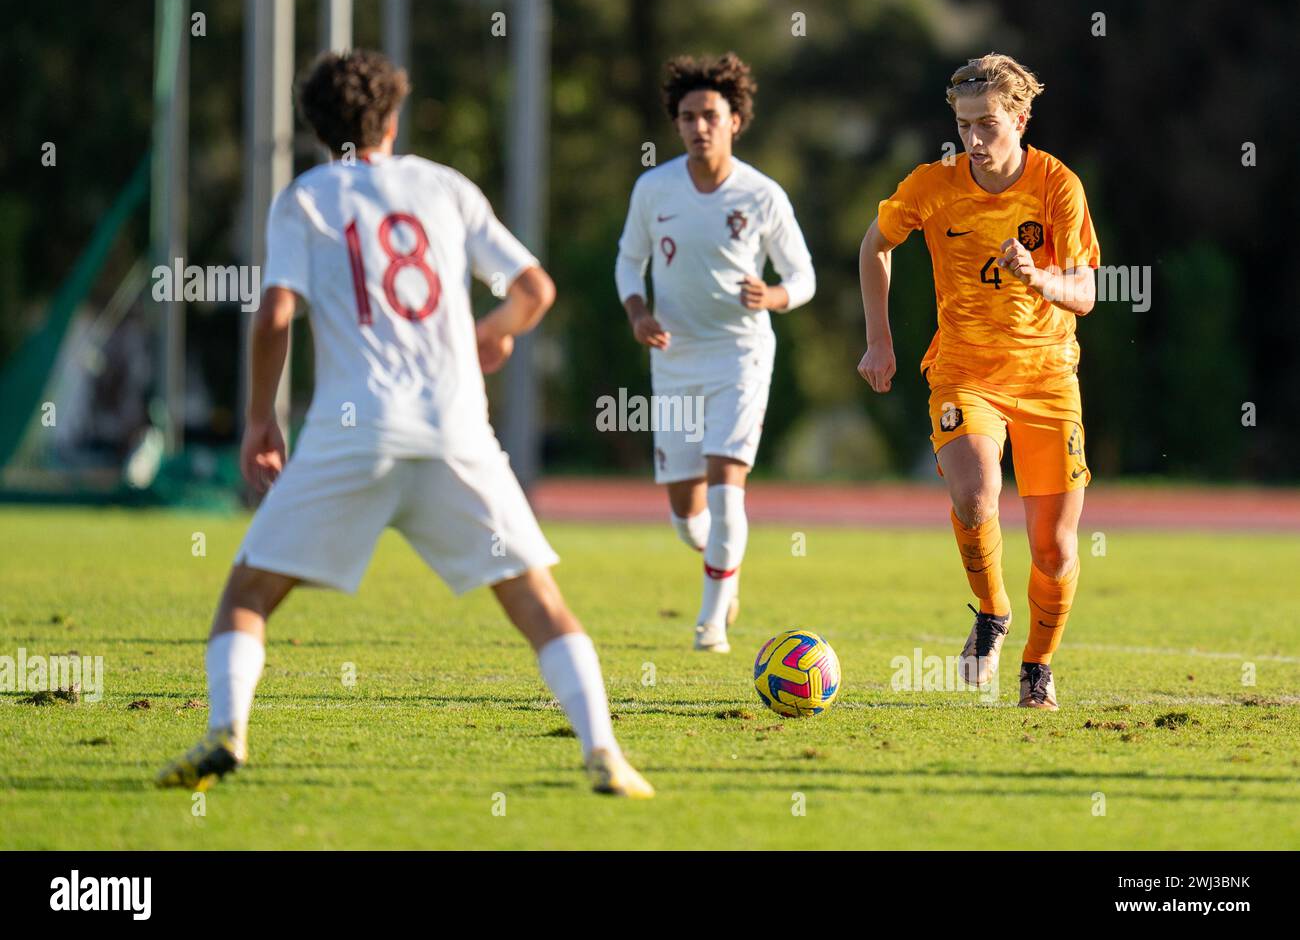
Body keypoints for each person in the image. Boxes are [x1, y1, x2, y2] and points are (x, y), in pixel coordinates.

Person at [157, 49, 652, 797]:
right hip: (456, 432)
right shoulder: (444, 187)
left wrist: (260, 419)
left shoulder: (307, 198)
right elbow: (535, 289)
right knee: (538, 603)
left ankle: (229, 729)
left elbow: (275, 316)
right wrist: (491, 334)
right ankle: (604, 752)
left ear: (318, 127)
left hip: (353, 434)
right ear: (392, 117)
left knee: (247, 596)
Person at [857, 53, 1099, 710]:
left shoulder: (1058, 187)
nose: (974, 139)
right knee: (978, 492)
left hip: (1049, 379)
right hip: (964, 374)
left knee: (1053, 549)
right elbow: (874, 244)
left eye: (987, 123)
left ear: (1020, 118)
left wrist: (1037, 277)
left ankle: (1037, 667)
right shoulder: (934, 185)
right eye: (964, 124)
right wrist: (880, 338)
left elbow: (1084, 294)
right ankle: (992, 615)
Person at [615, 52, 815, 654]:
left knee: (729, 489)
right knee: (687, 516)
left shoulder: (762, 195)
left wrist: (774, 293)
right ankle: (726, 565)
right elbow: (629, 261)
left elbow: (803, 276)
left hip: (740, 355)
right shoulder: (654, 188)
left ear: (735, 119)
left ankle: (709, 623)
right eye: (686, 116)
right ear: (675, 124)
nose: (698, 126)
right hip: (675, 360)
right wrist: (638, 313)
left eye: (709, 115)